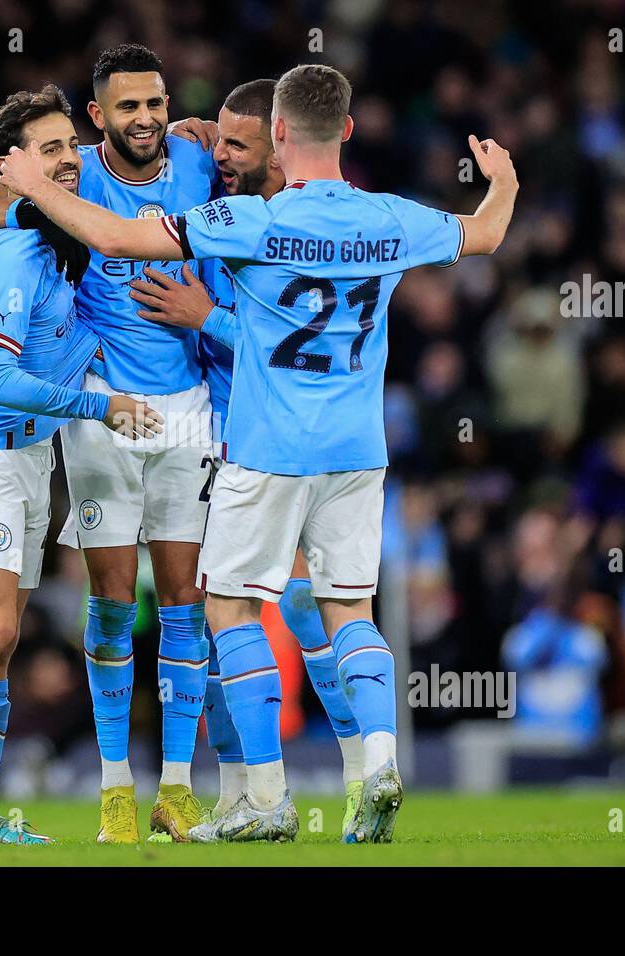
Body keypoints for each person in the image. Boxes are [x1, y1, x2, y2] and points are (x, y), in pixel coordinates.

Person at [0, 63, 518, 842]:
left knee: (229, 607)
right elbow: (486, 232)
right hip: (357, 452)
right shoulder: (391, 219)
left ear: (278, 134)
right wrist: (502, 177)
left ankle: (263, 801)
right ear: (345, 130)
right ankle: (378, 763)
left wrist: (36, 187)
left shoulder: (249, 223)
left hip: (267, 448)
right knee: (351, 611)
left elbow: (110, 234)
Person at [0, 43, 223, 843]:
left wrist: (213, 305)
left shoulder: (199, 163)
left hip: (190, 409)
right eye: (128, 106)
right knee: (107, 602)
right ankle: (112, 794)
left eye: (156, 103)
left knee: (186, 603)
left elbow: (262, 195)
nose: (146, 118)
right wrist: (28, 194)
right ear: (100, 115)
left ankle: (175, 789)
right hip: (102, 413)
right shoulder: (73, 172)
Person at [0, 84, 160, 848]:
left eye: (70, 147)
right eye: (50, 150)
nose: (69, 161)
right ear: (12, 167)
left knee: (5, 637)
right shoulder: (16, 248)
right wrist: (100, 407)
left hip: (26, 457)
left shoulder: (48, 231)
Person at [126, 79, 368, 837]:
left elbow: (298, 345)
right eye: (220, 142)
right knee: (211, 611)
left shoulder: (298, 222)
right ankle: (242, 790)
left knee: (300, 605)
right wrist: (200, 132)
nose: (223, 156)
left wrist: (208, 316)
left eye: (240, 144)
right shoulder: (213, 183)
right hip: (215, 430)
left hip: (285, 434)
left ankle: (359, 776)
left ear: (283, 143)